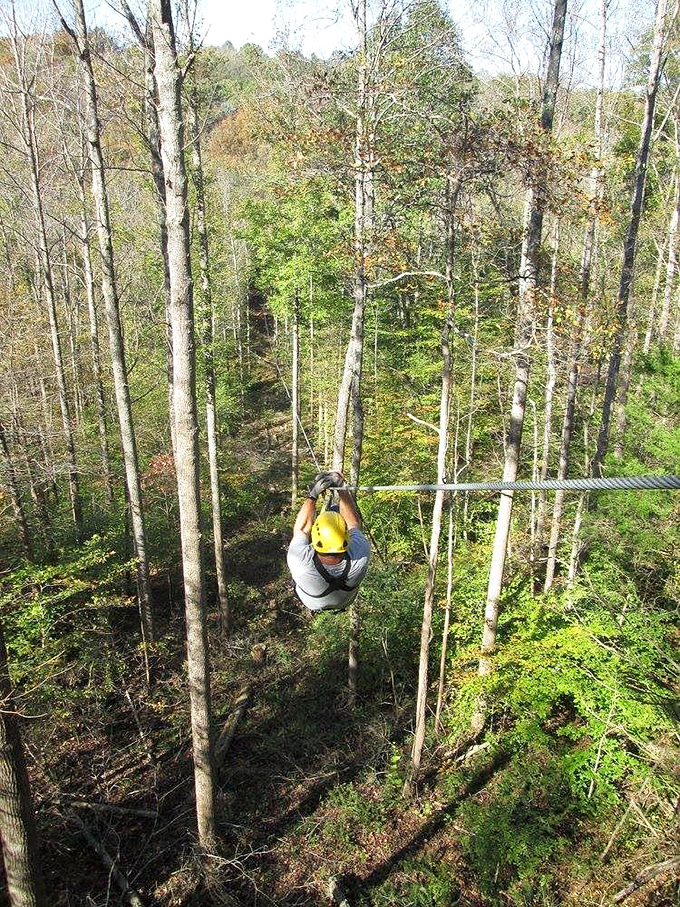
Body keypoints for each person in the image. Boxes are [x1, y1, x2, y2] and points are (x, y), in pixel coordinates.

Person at [287, 471, 370, 613]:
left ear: (316, 539)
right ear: (346, 538)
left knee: (302, 540)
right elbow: (353, 524)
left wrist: (312, 495)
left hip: (312, 602)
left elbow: (302, 529)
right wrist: (341, 488)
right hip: (346, 599)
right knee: (335, 510)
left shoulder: (299, 562)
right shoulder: (361, 554)